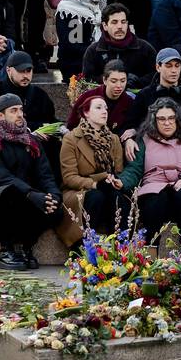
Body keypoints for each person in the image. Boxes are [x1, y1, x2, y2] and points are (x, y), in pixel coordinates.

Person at [0, 92, 62, 271]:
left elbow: (45, 174)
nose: (20, 114)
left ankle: (26, 247)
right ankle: (6, 249)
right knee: (11, 192)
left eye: (21, 109)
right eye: (13, 110)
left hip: (25, 196)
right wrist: (31, 194)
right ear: (0, 115)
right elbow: (0, 177)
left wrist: (55, 196)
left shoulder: (31, 141)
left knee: (56, 209)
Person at [118, 97, 181, 238]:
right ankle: (150, 249)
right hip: (153, 189)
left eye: (171, 118)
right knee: (156, 200)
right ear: (154, 121)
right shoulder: (144, 139)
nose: (167, 123)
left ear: (177, 119)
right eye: (161, 119)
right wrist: (122, 182)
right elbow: (134, 169)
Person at [123, 47, 181, 167]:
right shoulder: (145, 94)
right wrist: (128, 139)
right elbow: (130, 123)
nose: (174, 70)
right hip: (153, 149)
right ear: (158, 67)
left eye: (177, 66)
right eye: (168, 66)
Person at [56, 94, 126, 248]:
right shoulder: (71, 139)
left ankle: (121, 249)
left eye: (106, 108)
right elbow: (69, 178)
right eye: (99, 108)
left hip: (106, 186)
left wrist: (113, 180)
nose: (104, 112)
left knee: (117, 197)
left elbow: (118, 171)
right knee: (96, 196)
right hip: (77, 190)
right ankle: (84, 247)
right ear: (86, 113)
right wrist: (95, 183)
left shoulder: (113, 139)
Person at [81, 2, 156, 87]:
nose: (120, 26)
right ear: (105, 25)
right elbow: (87, 79)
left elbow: (156, 74)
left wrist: (138, 81)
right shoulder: (93, 51)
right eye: (114, 22)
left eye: (123, 22)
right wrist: (109, 79)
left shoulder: (144, 48)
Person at [0, 50, 56, 131]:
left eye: (28, 70)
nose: (25, 75)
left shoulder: (40, 95)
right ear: (8, 70)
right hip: (6, 141)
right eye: (20, 71)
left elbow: (51, 122)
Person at [54, 0, 109, 76]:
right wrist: (101, 52)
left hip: (97, 60)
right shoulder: (71, 9)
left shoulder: (102, 5)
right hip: (75, 66)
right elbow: (74, 45)